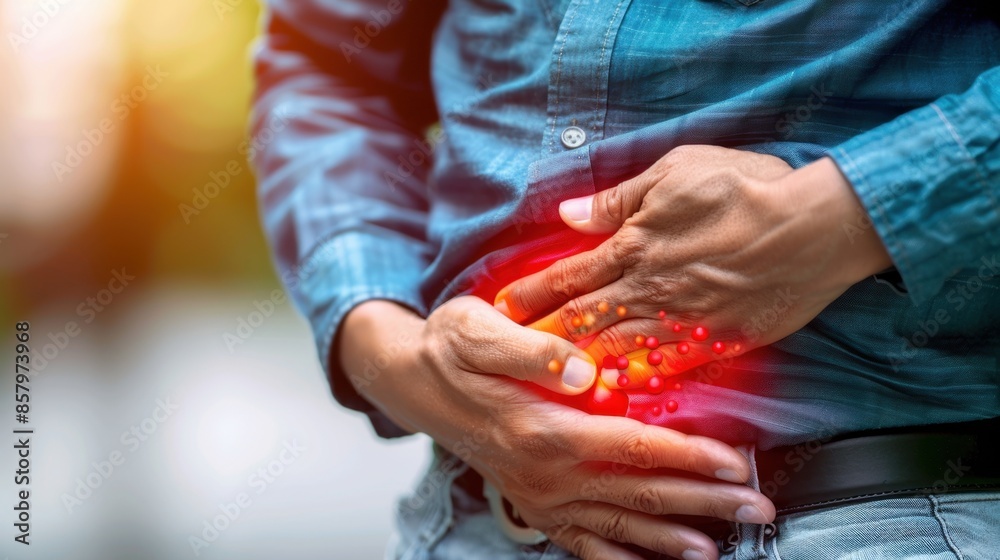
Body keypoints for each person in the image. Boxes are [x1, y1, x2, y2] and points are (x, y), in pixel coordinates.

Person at [252, 1, 1000, 558]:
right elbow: (325, 72)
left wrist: (849, 212)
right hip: (475, 520)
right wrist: (391, 354)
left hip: (891, 516)